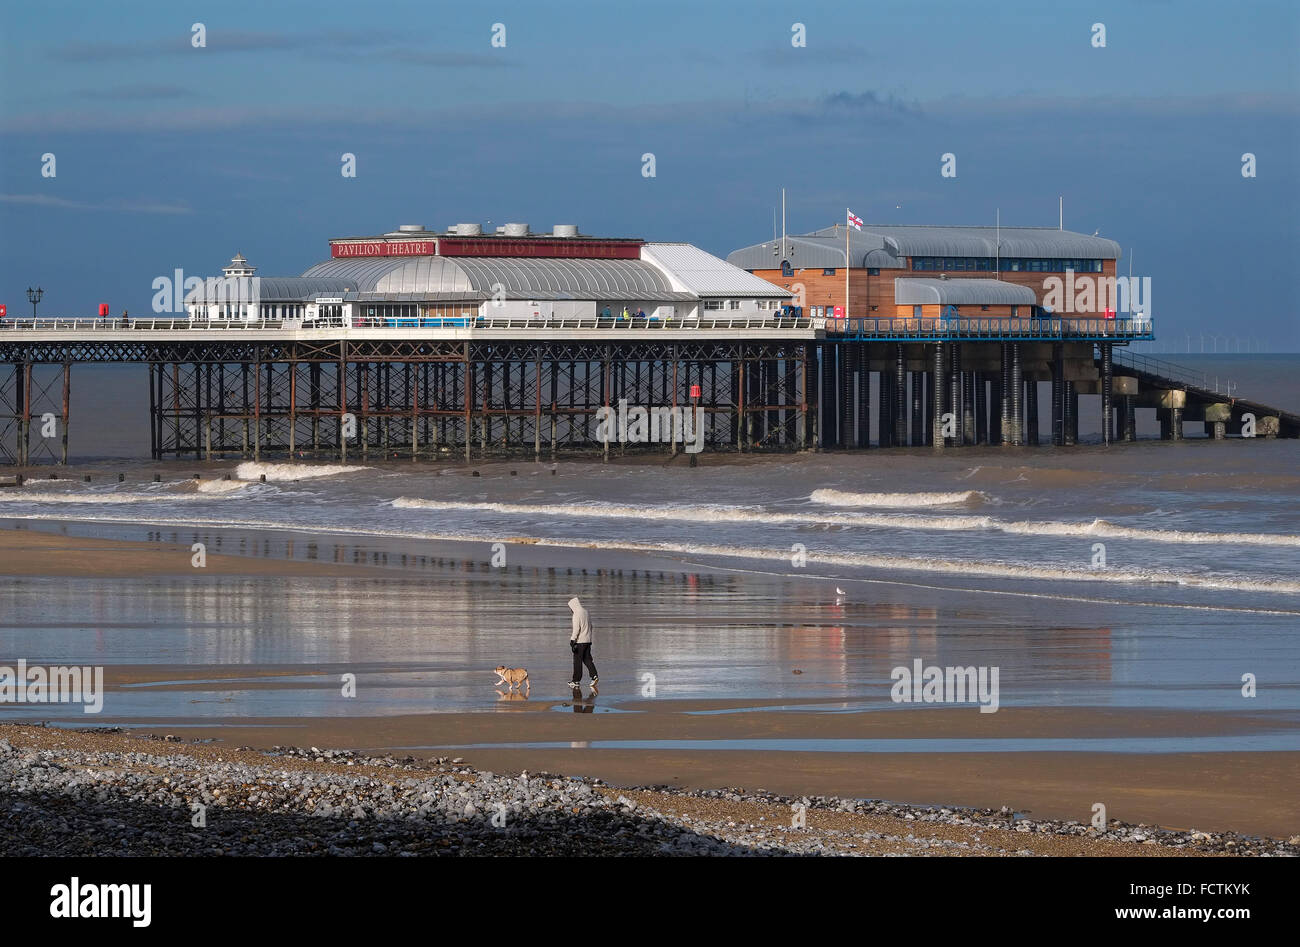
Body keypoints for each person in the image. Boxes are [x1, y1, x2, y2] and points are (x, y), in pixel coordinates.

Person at [567, 596, 597, 688]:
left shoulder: (576, 614)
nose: (570, 610)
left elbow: (576, 629)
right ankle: (594, 676)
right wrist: (589, 638)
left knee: (577, 661)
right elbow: (591, 626)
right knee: (587, 660)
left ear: (573, 606)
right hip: (588, 641)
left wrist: (572, 640)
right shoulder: (586, 612)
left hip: (580, 642)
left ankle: (576, 681)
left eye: (570, 608)